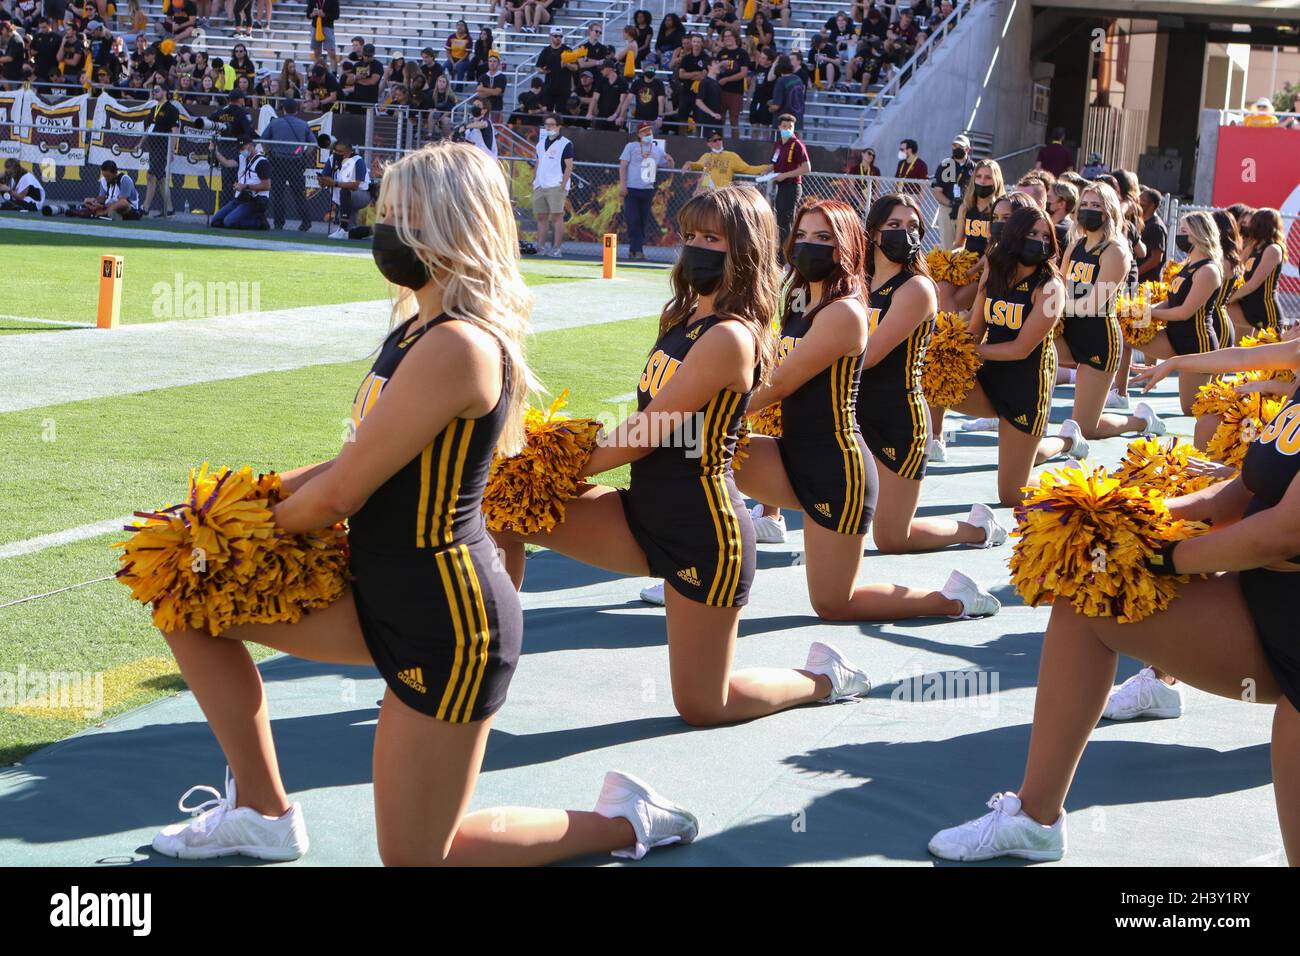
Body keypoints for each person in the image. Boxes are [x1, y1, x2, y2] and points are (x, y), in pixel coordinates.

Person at [149, 141, 697, 866]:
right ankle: (261, 809)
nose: (388, 229)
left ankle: (625, 822)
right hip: (378, 591)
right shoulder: (412, 327)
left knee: (415, 859)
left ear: (456, 228)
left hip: (448, 622)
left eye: (409, 216)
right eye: (389, 211)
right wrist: (235, 504)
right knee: (187, 599)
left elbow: (344, 494)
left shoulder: (458, 345)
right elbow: (355, 458)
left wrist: (223, 536)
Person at [495, 184, 874, 727]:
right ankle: (479, 664)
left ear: (742, 250)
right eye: (690, 234)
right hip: (640, 511)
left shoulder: (732, 338)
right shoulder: (681, 321)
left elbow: (648, 431)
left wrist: (544, 465)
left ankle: (822, 679)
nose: (693, 247)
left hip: (703, 530)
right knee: (502, 516)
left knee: (703, 705)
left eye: (711, 238)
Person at [933, 334, 1300, 865]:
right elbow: (1241, 491)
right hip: (1266, 601)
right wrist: (1128, 517)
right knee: (1088, 605)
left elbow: (1284, 532)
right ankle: (1035, 819)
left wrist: (1161, 558)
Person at [713, 195, 1001, 619]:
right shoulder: (805, 298)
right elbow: (777, 366)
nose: (809, 245)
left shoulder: (886, 297)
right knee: (708, 460)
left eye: (823, 237)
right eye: (804, 235)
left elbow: (806, 374)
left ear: (848, 243)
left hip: (882, 430)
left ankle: (958, 585)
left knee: (881, 551)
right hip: (820, 435)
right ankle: (700, 570)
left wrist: (713, 413)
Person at [855, 191, 1010, 557]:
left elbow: (870, 355)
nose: (903, 233)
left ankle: (976, 529)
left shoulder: (917, 289)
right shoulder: (854, 282)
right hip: (851, 414)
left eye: (912, 227)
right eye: (894, 225)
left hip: (896, 419)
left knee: (893, 538)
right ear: (874, 232)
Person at [941, 204, 1069, 506]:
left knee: (1012, 494)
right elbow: (975, 327)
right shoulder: (995, 271)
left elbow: (1021, 348)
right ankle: (928, 443)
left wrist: (970, 350)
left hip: (1026, 387)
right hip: (990, 378)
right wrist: (947, 347)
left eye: (1044, 236)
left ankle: (1064, 473)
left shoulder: (1051, 287)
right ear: (1014, 236)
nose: (1039, 241)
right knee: (930, 383)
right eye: (1031, 234)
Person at [1056, 181, 1163, 448]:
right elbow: (1059, 282)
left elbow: (1094, 304)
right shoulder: (1076, 244)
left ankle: (1141, 421)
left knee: (1087, 429)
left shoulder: (1116, 250)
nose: (1089, 210)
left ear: (1110, 212)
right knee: (1031, 351)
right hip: (1069, 331)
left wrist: (1055, 306)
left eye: (1097, 206)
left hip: (1098, 339)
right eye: (1086, 205)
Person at [1144, 210, 1224, 415]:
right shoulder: (1188, 265)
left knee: (1190, 410)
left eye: (1184, 231)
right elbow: (1171, 300)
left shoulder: (1208, 270)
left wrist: (1150, 314)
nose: (1179, 235)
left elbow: (1184, 313)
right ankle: (1119, 391)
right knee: (1125, 337)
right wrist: (1144, 311)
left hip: (1196, 344)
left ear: (1199, 234)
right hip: (1173, 337)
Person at [619, 122, 673, 261]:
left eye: (649, 130)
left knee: (643, 221)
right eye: (644, 131)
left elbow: (668, 165)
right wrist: (623, 186)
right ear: (638, 134)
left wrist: (670, 160)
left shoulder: (657, 150)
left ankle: (637, 251)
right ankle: (635, 249)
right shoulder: (631, 146)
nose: (648, 133)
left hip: (647, 189)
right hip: (632, 188)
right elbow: (623, 166)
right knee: (633, 219)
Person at [1228, 207, 1286, 336]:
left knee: (1270, 354)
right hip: (1248, 305)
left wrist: (1230, 298)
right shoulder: (1255, 246)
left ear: (1262, 225)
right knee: (1241, 351)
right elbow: (1237, 266)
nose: (1249, 226)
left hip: (1265, 310)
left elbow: (1253, 284)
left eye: (1253, 222)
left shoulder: (1273, 249)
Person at [262, 98, 316, 231]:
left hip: (277, 161)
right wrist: (304, 155)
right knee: (299, 193)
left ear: (283, 109)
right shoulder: (303, 125)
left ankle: (279, 223)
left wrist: (268, 151)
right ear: (297, 110)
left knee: (278, 193)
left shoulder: (275, 123)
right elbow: (313, 144)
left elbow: (263, 139)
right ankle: (306, 222)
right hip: (295, 162)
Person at [532, 114, 573, 258]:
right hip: (540, 184)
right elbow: (538, 162)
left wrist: (562, 184)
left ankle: (556, 248)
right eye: (546, 124)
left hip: (556, 185)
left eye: (551, 124)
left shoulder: (565, 143)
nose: (548, 127)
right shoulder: (540, 143)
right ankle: (541, 247)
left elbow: (569, 166)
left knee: (556, 216)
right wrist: (535, 180)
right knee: (541, 216)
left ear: (558, 126)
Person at [211, 135, 271, 230]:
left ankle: (259, 222)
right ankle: (243, 216)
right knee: (215, 221)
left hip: (256, 200)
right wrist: (215, 152)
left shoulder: (262, 162)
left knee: (228, 222)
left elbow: (267, 185)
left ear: (251, 145)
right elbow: (227, 163)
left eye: (242, 148)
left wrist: (246, 186)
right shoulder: (241, 158)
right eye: (239, 149)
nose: (241, 151)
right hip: (242, 197)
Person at [770, 113, 809, 254]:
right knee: (780, 222)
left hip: (792, 187)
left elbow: (806, 168)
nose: (787, 129)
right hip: (781, 187)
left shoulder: (797, 145)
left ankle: (788, 256)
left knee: (787, 223)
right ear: (779, 127)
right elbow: (774, 162)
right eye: (784, 126)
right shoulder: (779, 143)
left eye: (790, 126)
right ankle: (781, 254)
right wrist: (766, 172)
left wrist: (784, 176)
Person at [140, 84, 181, 218]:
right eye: (153, 90)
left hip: (163, 147)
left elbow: (175, 131)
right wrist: (140, 143)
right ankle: (170, 209)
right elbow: (148, 129)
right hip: (153, 146)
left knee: (151, 176)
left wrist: (172, 150)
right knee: (161, 179)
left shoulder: (172, 109)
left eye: (157, 90)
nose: (154, 92)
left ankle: (145, 208)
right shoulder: (153, 109)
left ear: (165, 91)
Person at [685, 129, 769, 194]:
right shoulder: (706, 156)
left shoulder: (731, 156)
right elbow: (697, 165)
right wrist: (689, 164)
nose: (718, 142)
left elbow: (748, 168)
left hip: (722, 192)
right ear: (709, 143)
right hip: (706, 192)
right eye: (714, 140)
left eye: (719, 139)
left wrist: (767, 167)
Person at [318, 140, 370, 237]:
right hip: (343, 198)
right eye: (336, 151)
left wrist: (334, 183)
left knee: (345, 192)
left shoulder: (358, 161)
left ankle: (343, 227)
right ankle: (370, 231)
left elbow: (355, 185)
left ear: (349, 152)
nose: (337, 153)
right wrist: (322, 181)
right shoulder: (332, 159)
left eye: (340, 152)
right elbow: (324, 178)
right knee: (349, 233)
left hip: (361, 195)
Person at [931, 133, 973, 250]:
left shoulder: (973, 167)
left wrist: (964, 206)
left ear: (967, 149)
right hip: (947, 209)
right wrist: (951, 204)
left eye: (960, 146)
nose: (956, 148)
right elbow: (937, 191)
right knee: (948, 248)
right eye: (954, 145)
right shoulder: (944, 166)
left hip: (966, 210)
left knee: (965, 248)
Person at [536, 27, 572, 113]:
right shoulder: (546, 50)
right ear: (550, 36)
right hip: (549, 87)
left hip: (564, 87)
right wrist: (543, 71)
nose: (558, 38)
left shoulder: (567, 50)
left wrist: (567, 64)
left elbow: (576, 67)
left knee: (562, 113)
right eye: (556, 36)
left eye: (560, 36)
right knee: (548, 112)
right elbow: (538, 67)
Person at [628, 63, 667, 132]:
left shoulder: (659, 83)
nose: (650, 70)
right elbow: (628, 99)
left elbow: (661, 101)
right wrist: (621, 115)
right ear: (643, 70)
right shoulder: (637, 83)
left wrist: (659, 117)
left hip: (653, 120)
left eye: (652, 69)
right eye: (649, 68)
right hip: (639, 119)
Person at [306, 0, 340, 71]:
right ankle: (318, 72)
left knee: (331, 52)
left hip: (327, 27)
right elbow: (308, 15)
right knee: (316, 53)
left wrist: (324, 15)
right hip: (315, 27)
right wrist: (313, 14)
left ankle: (334, 73)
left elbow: (336, 15)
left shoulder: (334, 1)